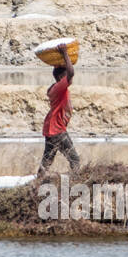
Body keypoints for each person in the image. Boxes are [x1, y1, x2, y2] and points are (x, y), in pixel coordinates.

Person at [37, 44, 81, 175]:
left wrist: (60, 59)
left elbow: (68, 74)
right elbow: (71, 73)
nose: (70, 78)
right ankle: (75, 183)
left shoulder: (56, 87)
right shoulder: (60, 88)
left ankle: (37, 183)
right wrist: (65, 53)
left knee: (47, 161)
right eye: (67, 75)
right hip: (57, 130)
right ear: (63, 77)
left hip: (51, 128)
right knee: (75, 160)